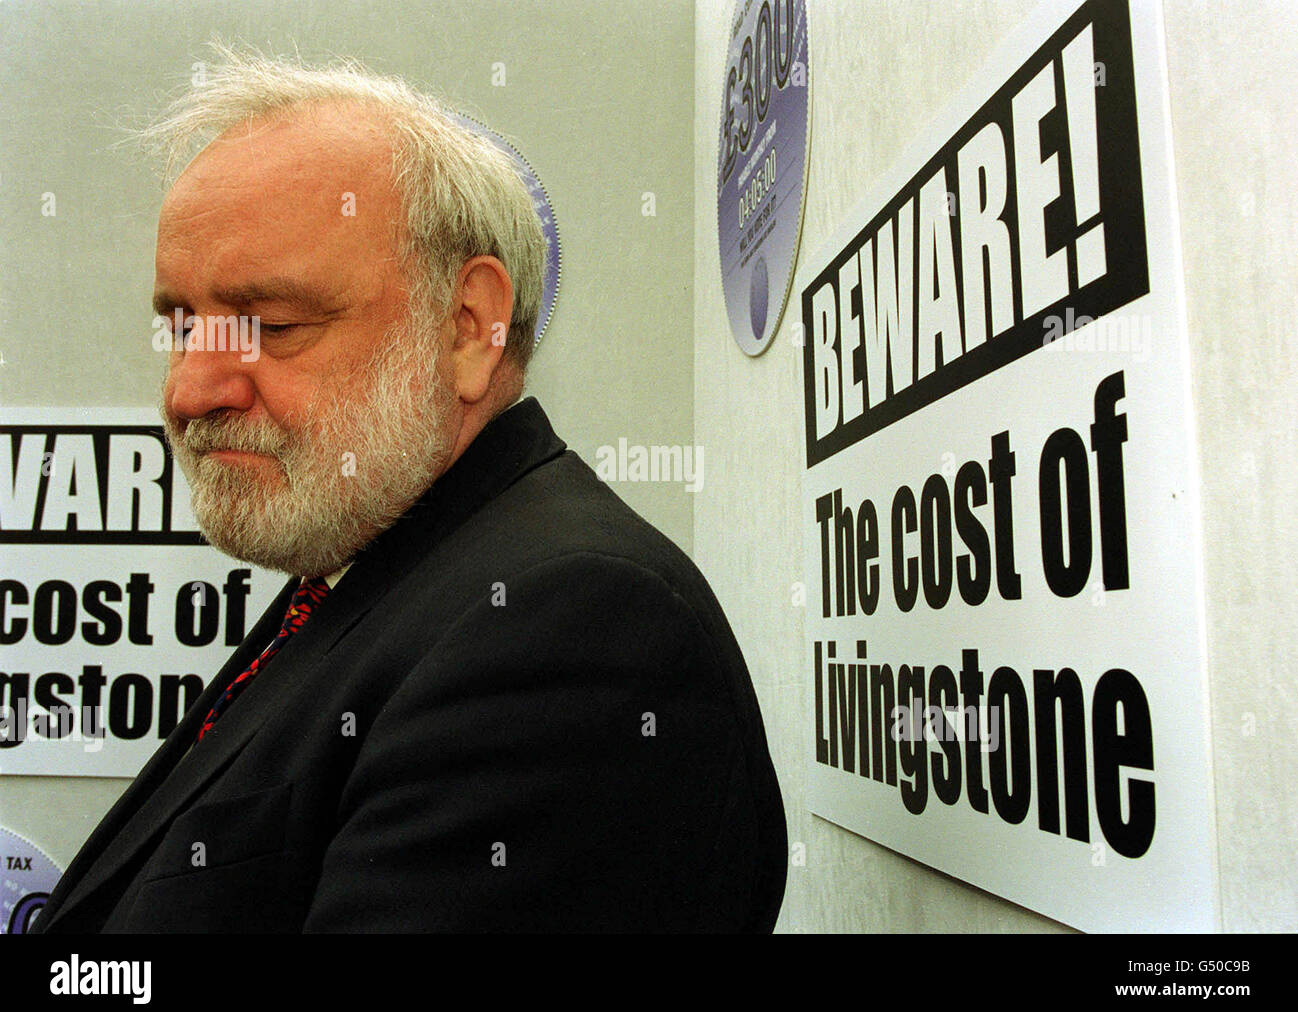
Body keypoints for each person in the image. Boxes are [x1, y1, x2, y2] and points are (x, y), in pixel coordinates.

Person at [31, 47, 787, 933]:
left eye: (271, 325)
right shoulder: (374, 570)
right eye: (183, 325)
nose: (190, 394)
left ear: (469, 329)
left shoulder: (569, 629)